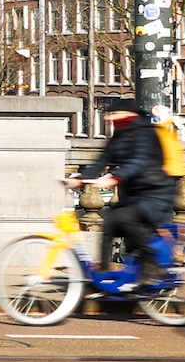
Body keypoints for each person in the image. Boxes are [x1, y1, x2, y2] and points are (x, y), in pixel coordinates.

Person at [69, 99, 177, 292]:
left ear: (128, 115)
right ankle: (101, 274)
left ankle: (151, 261)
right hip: (135, 194)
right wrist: (81, 178)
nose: (110, 118)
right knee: (110, 220)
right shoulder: (119, 135)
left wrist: (115, 178)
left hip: (155, 193)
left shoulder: (145, 133)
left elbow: (139, 161)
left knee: (125, 218)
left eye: (114, 114)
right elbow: (102, 160)